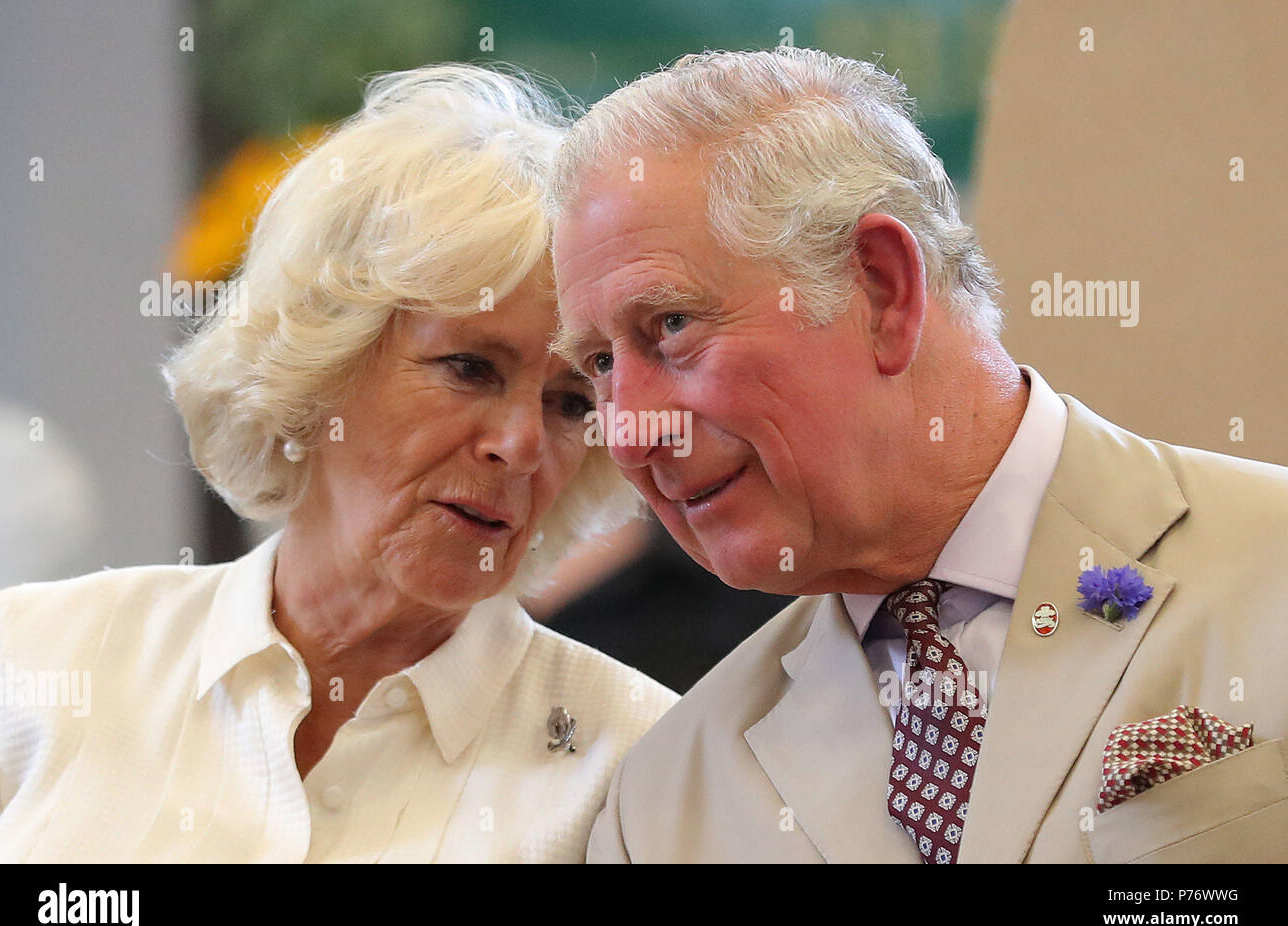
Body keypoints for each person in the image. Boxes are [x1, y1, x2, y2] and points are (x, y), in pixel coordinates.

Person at [548, 47, 1288, 863]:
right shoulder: (662, 807)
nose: (628, 430)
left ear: (883, 287)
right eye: (602, 366)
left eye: (673, 326)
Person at [0, 64, 677, 863]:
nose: (520, 444)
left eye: (570, 403)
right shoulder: (35, 659)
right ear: (321, 367)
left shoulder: (638, 766)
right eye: (469, 367)